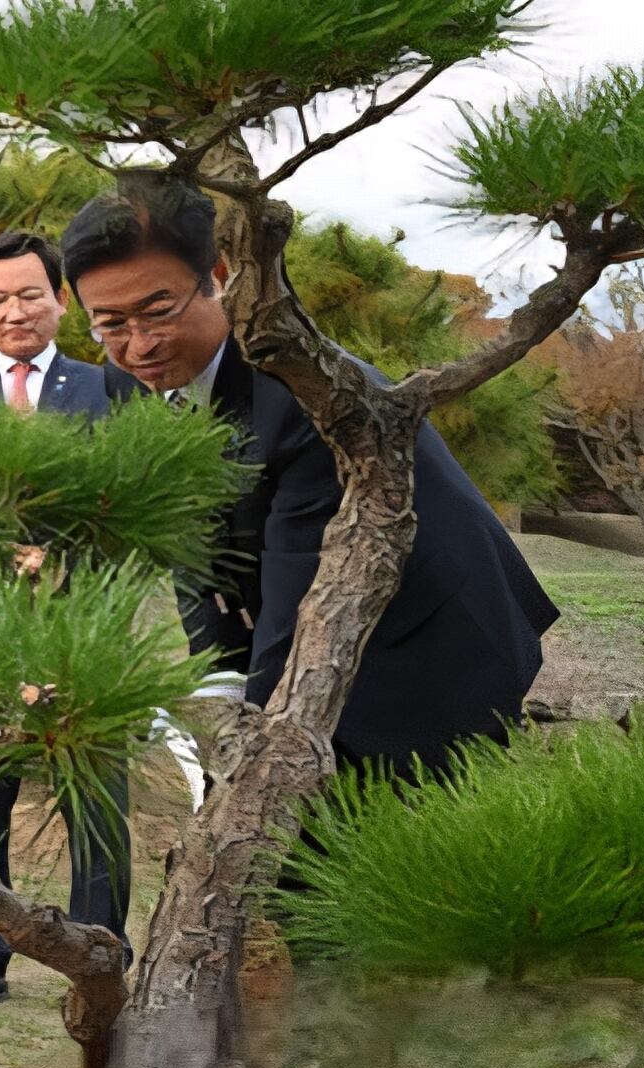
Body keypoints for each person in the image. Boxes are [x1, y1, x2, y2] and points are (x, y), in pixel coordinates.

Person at [61, 174, 558, 776]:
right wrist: (215, 681)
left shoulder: (304, 395)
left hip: (434, 631)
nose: (138, 345)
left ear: (220, 277)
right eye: (109, 324)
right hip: (319, 628)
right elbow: (186, 539)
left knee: (398, 835)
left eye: (157, 311)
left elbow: (299, 593)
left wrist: (255, 743)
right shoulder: (127, 385)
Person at [0, 230, 129, 1015]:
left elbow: (130, 506)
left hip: (84, 629)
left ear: (61, 299)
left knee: (94, 798)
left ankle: (98, 952)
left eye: (30, 294)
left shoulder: (108, 389)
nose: (16, 310)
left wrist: (63, 558)